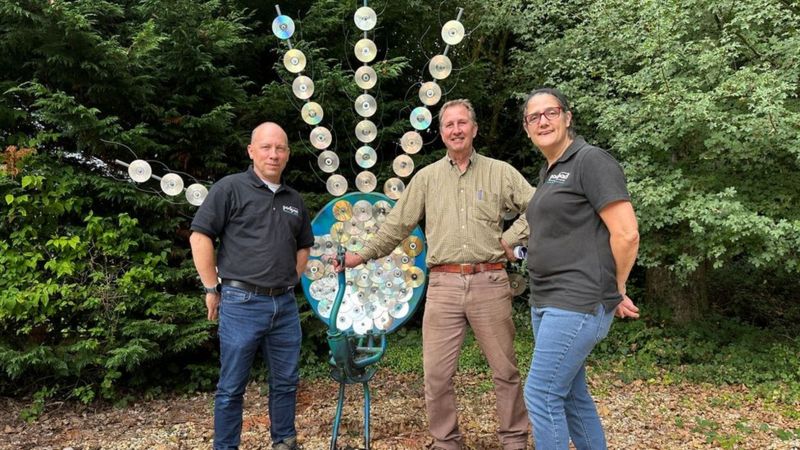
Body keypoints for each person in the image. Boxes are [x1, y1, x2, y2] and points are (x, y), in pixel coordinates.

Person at [334, 99, 533, 450]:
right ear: (441, 133)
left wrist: (511, 239)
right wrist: (359, 256)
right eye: (448, 125)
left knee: (505, 371)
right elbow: (396, 226)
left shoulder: (500, 172)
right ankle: (446, 443)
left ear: (474, 128)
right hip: (443, 285)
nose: (456, 130)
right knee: (436, 375)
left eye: (462, 123)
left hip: (490, 280)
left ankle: (515, 441)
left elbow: (541, 207)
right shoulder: (426, 178)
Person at [518, 87, 640, 450]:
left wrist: (615, 288)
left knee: (540, 394)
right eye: (534, 117)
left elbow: (627, 233)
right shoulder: (550, 171)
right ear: (527, 129)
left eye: (550, 112)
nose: (543, 121)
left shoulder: (591, 161)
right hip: (546, 301)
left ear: (567, 117)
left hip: (576, 301)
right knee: (571, 395)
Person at [189, 122, 314, 450]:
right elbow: (200, 235)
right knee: (232, 387)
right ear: (251, 151)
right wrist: (210, 288)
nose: (274, 154)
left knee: (286, 383)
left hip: (284, 307)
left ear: (288, 155)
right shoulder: (229, 189)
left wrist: (293, 278)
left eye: (280, 148)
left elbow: (304, 245)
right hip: (241, 303)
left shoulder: (294, 200)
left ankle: (284, 441)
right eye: (266, 147)